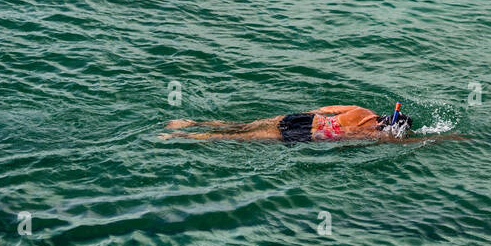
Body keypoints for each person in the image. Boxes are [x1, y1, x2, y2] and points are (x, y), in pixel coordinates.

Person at [164, 103, 414, 143]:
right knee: (240, 138)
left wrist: (307, 114)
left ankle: (189, 123)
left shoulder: (362, 111)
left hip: (305, 119)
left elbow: (328, 108)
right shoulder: (372, 136)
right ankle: (183, 138)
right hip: (304, 134)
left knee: (243, 124)